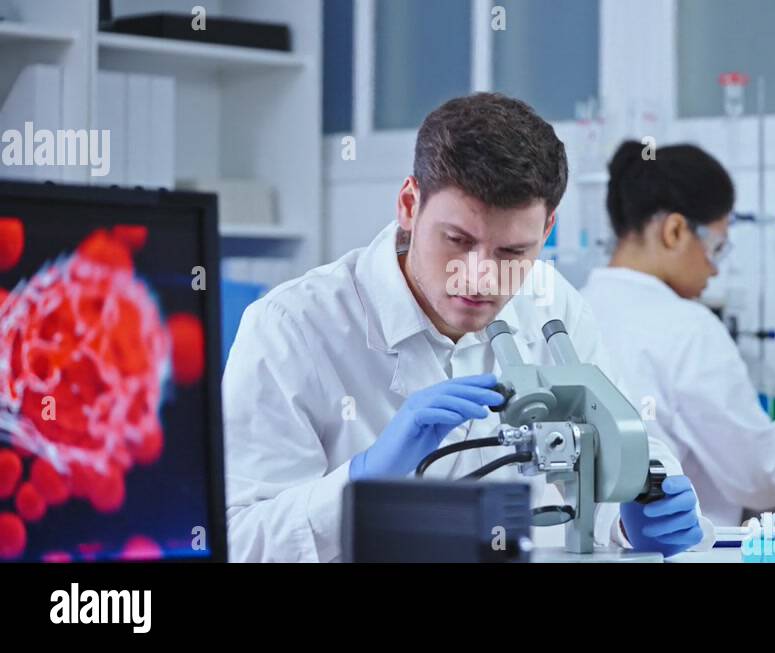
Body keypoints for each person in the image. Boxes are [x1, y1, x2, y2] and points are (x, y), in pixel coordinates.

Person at [222, 95, 714, 562]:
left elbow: (625, 447)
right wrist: (363, 480)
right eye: (457, 240)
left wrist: (633, 509)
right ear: (409, 205)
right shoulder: (292, 327)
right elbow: (238, 542)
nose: (481, 276)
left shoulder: (549, 300)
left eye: (512, 252)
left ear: (547, 231)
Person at [581, 141, 775, 526]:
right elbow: (763, 474)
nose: (716, 270)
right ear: (675, 231)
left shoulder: (572, 310)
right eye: (717, 247)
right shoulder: (688, 327)